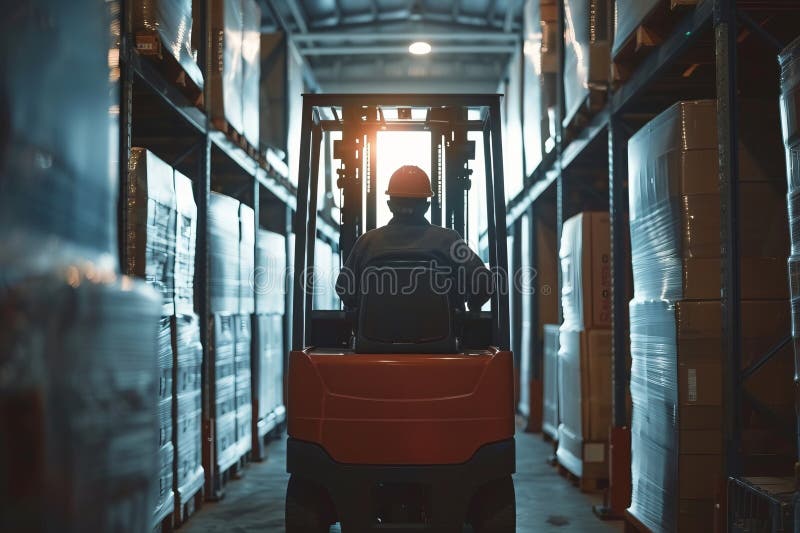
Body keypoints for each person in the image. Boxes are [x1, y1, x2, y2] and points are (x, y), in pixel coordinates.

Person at [335, 165, 493, 312]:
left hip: (374, 341)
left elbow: (344, 290)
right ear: (426, 206)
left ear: (389, 205)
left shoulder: (367, 242)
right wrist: (471, 308)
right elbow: (484, 283)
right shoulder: (449, 240)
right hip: (440, 340)